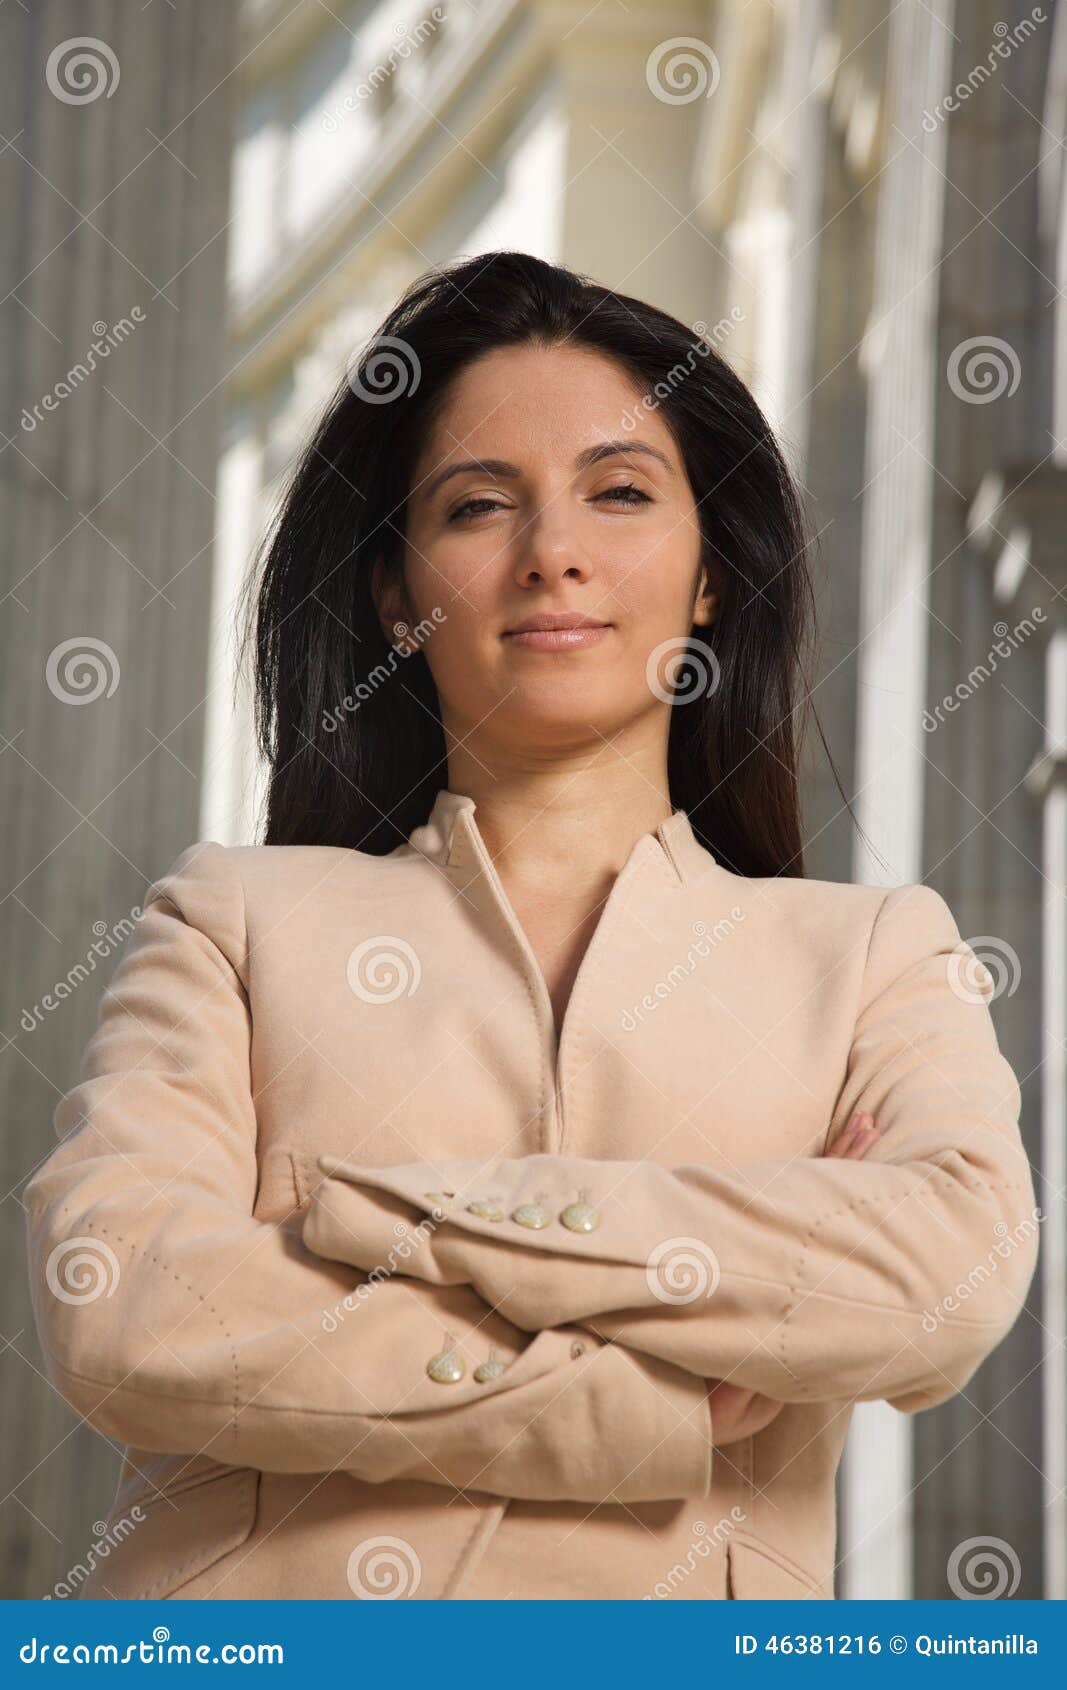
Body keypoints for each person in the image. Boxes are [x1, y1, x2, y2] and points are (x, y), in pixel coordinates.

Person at [23, 251, 1037, 1602]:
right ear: (396, 594)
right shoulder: (230, 922)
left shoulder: (870, 956)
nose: (553, 549)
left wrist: (374, 1222)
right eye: (478, 504)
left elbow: (947, 1273)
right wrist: (642, 1385)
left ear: (710, 579)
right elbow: (123, 1303)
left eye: (620, 493)